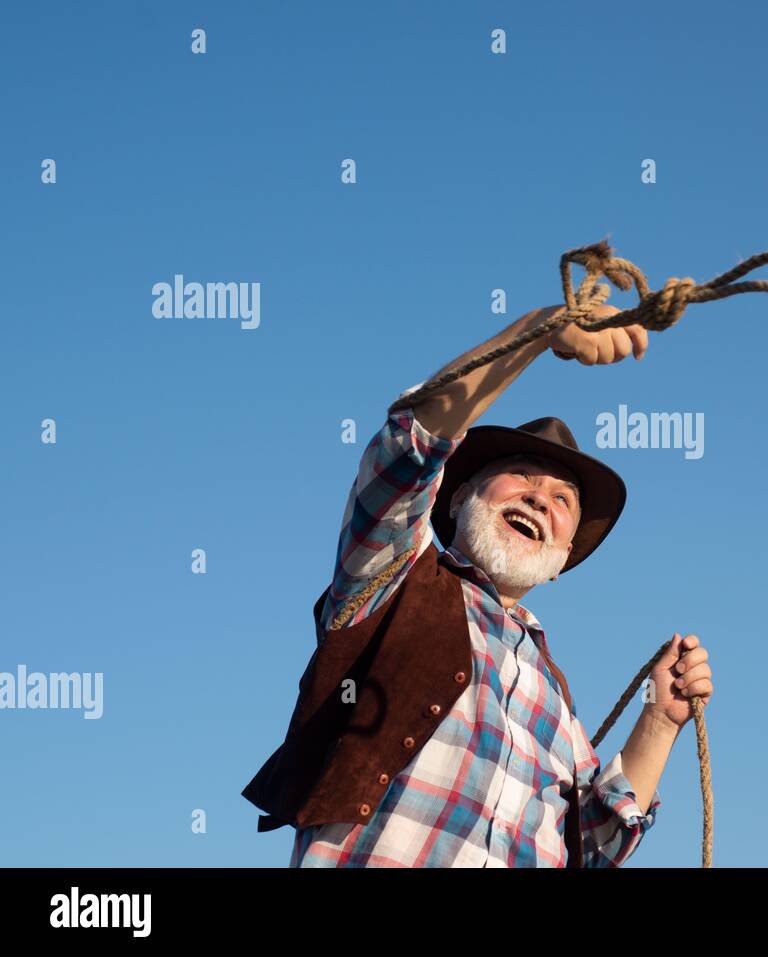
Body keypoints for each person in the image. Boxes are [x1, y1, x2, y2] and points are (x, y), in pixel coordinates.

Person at [241, 303, 713, 867]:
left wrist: (659, 719)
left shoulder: (556, 699)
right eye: (522, 478)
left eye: (563, 500)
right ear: (458, 497)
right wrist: (540, 330)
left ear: (562, 557)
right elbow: (408, 449)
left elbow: (593, 846)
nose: (541, 499)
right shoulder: (394, 580)